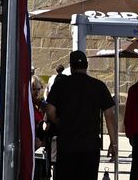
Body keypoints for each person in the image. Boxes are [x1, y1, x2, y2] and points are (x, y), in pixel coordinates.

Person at [44, 49, 117, 180]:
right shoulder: (98, 86)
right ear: (87, 65)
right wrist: (113, 143)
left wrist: (60, 122)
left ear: (71, 67)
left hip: (67, 145)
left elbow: (49, 111)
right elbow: (109, 116)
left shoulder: (60, 84)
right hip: (90, 146)